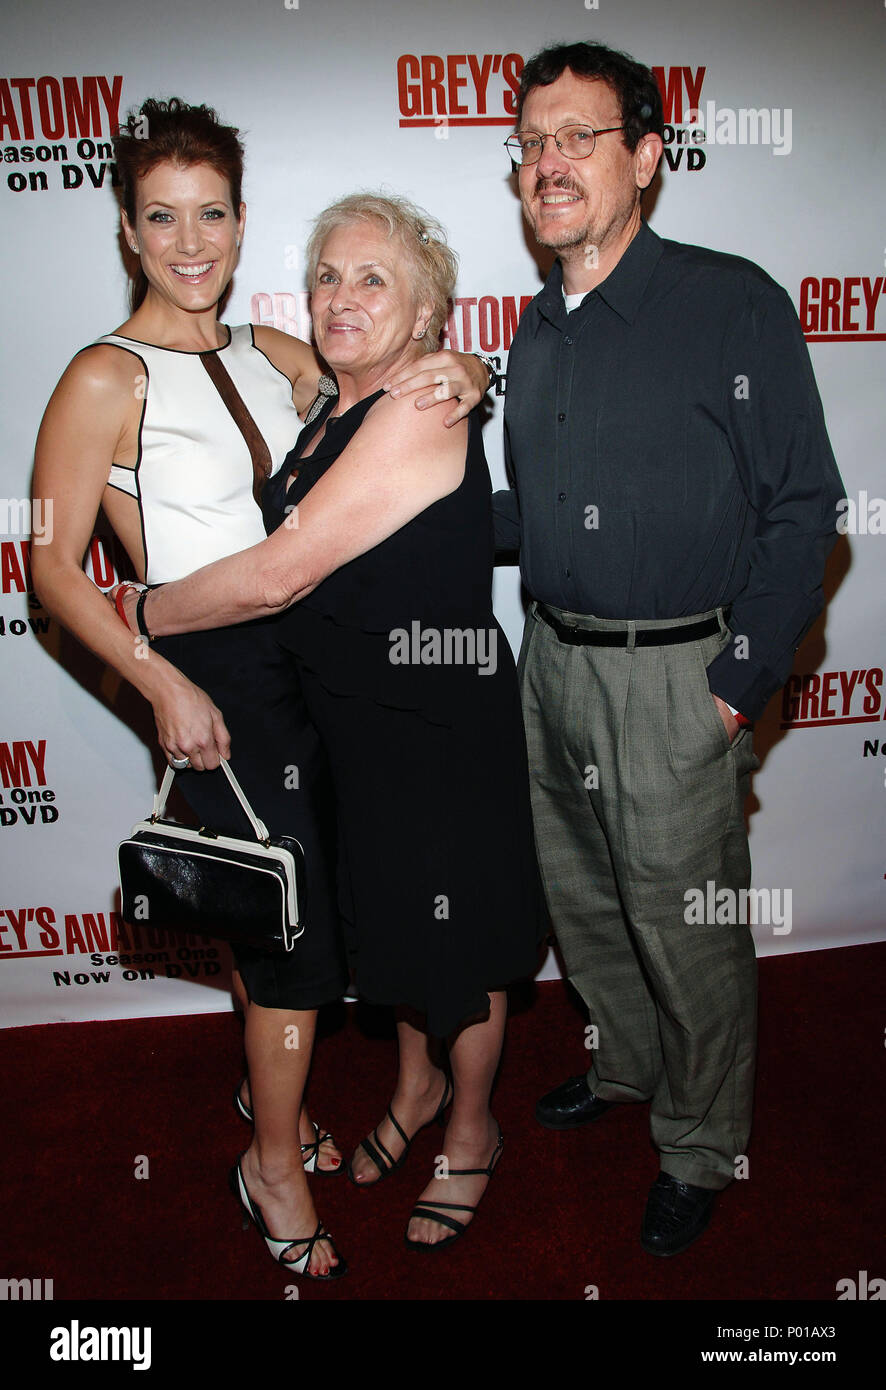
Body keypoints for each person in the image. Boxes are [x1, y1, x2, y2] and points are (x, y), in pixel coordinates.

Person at [31, 99, 490, 1280]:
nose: (192, 243)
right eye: (162, 218)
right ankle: (271, 1166)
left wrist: (462, 362)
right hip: (208, 676)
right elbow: (48, 563)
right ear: (129, 232)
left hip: (306, 670)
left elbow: (376, 392)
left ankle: (265, 1088)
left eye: (214, 214)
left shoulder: (265, 351)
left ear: (240, 223)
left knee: (297, 909)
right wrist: (153, 680)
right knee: (287, 943)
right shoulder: (101, 375)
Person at [113, 192, 546, 1251]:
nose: (340, 297)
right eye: (326, 276)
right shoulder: (323, 406)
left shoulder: (419, 406)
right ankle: (411, 1092)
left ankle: (474, 1129)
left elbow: (281, 573)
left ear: (427, 309)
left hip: (437, 727)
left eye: (372, 279)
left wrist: (141, 614)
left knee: (465, 947)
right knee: (398, 935)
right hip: (351, 729)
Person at [494, 41, 844, 1256]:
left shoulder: (727, 300)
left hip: (673, 679)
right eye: (531, 143)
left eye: (577, 137)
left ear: (643, 157)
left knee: (685, 933)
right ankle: (628, 1070)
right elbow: (525, 514)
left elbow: (804, 508)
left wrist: (735, 687)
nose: (548, 164)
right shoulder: (533, 334)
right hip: (551, 663)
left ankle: (701, 1142)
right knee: (587, 908)